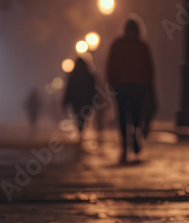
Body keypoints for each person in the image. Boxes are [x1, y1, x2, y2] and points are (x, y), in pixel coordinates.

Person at [106, 17, 155, 164]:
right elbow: (149, 68)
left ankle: (124, 142)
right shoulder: (142, 46)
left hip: (121, 85)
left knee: (122, 114)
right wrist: (148, 85)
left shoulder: (117, 45)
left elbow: (110, 66)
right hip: (138, 86)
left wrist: (112, 83)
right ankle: (134, 134)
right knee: (136, 113)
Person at [62, 55, 97, 136]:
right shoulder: (89, 75)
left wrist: (65, 102)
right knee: (83, 116)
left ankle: (80, 130)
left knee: (78, 115)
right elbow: (93, 88)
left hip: (76, 100)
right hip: (86, 100)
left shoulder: (73, 76)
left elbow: (69, 90)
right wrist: (94, 99)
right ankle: (81, 130)